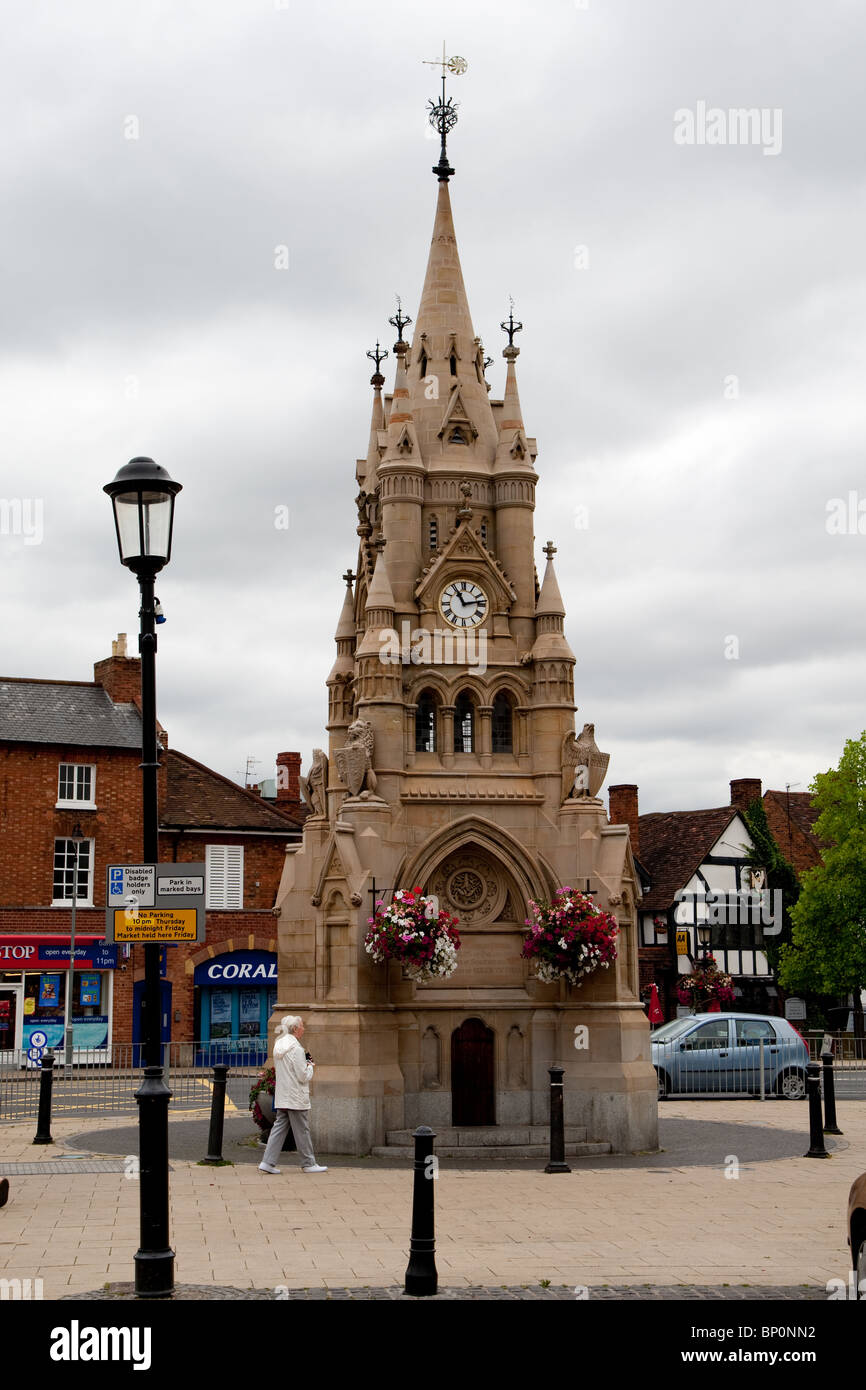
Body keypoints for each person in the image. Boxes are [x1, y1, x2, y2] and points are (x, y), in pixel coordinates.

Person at [258, 1016, 327, 1175]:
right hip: (296, 1096)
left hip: (283, 1095)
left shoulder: (279, 1045)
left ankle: (267, 1162)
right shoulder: (296, 1049)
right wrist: (310, 1065)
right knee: (302, 1129)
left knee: (279, 1127)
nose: (304, 1028)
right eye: (302, 1026)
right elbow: (303, 1076)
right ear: (295, 1029)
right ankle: (308, 1163)